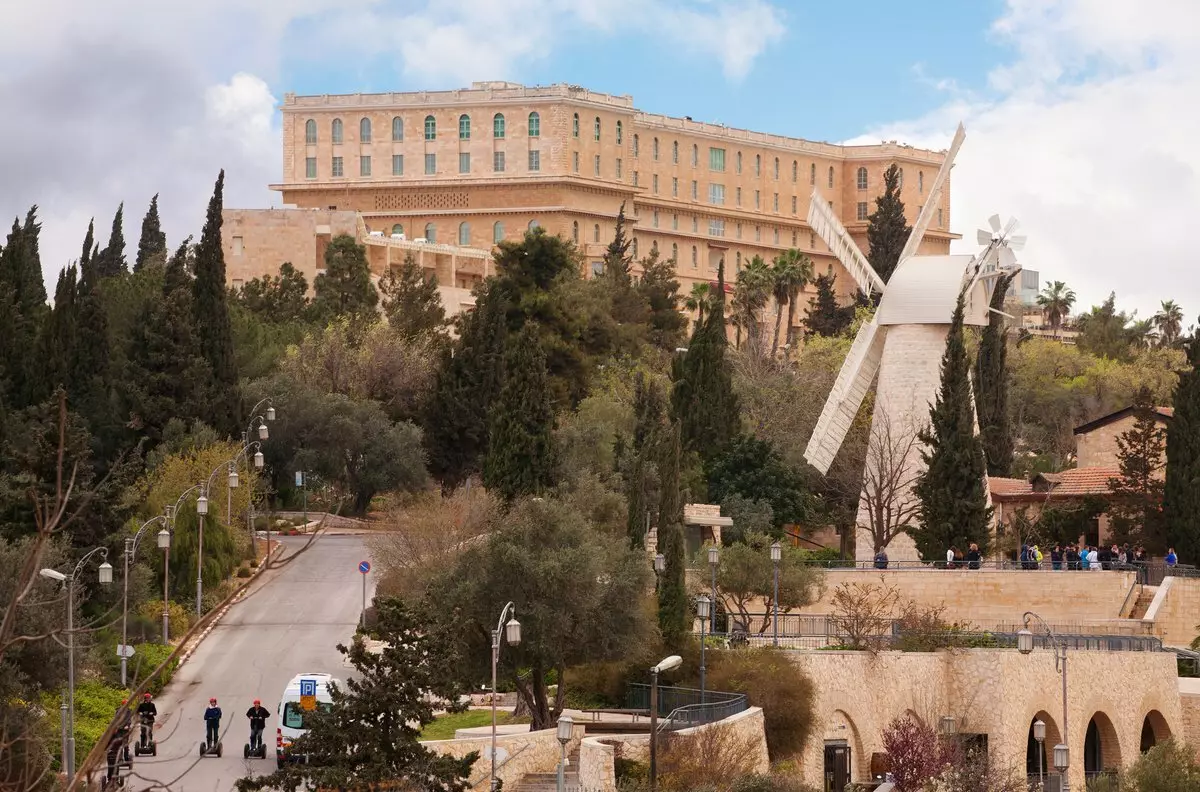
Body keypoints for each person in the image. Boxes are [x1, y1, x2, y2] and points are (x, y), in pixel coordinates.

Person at [107, 700, 133, 782]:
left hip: (125, 730)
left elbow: (129, 720)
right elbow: (116, 720)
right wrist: (117, 726)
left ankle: (125, 758)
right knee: (118, 744)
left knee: (125, 745)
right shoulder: (118, 711)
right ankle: (119, 758)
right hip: (119, 730)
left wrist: (128, 725)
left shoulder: (129, 711)